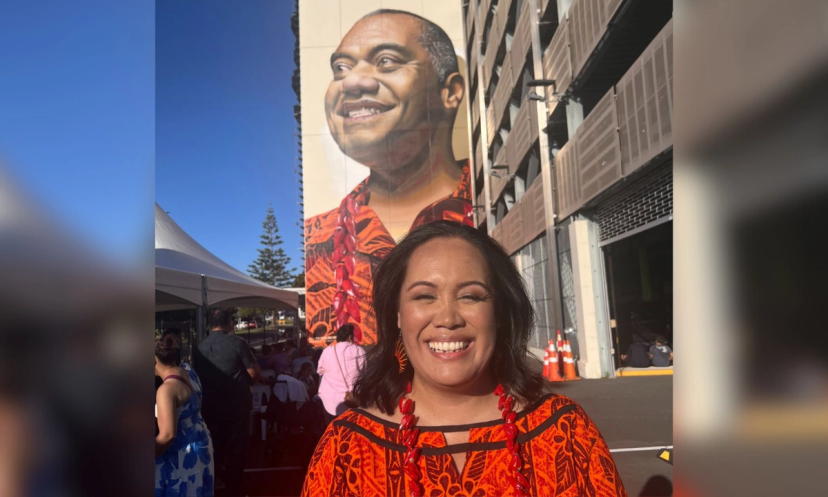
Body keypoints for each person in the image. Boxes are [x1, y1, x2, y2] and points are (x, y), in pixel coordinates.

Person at [301, 221, 627, 496]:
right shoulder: (347, 448)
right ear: (397, 315)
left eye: (470, 296)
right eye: (425, 296)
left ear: (499, 312)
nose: (448, 318)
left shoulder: (565, 432)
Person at [305, 9, 474, 346]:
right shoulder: (315, 240)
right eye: (341, 68)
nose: (353, 82)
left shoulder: (500, 203)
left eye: (386, 61)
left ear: (451, 92)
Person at [193, 308, 265, 496]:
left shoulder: (200, 347)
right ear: (229, 323)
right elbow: (253, 372)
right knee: (236, 447)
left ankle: (214, 483)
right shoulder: (237, 342)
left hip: (209, 404)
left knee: (214, 445)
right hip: (236, 404)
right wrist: (250, 384)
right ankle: (235, 487)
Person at [155, 334, 214, 496]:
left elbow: (167, 435)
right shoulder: (189, 372)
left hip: (182, 458)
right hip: (200, 445)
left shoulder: (166, 390)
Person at [316, 324, 366, 424]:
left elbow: (319, 371)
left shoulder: (327, 351)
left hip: (330, 401)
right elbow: (363, 373)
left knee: (331, 431)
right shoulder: (359, 351)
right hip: (352, 400)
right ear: (350, 337)